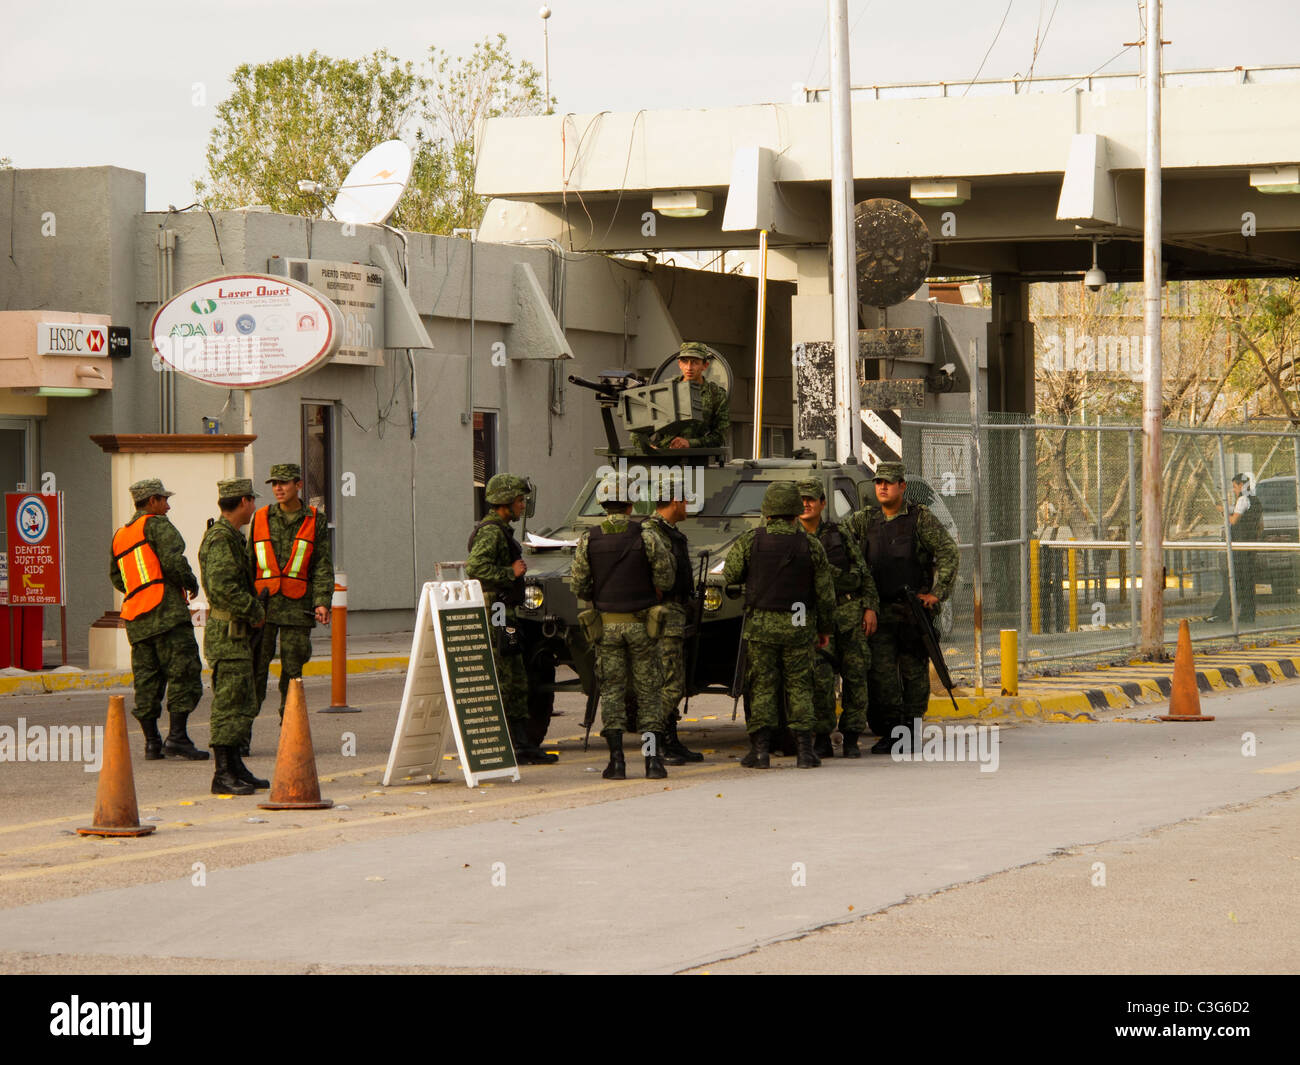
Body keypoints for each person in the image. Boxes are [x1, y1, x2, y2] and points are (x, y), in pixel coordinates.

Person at [722, 481, 836, 769]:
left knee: (761, 686)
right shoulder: (811, 544)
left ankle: (760, 751)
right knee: (799, 686)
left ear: (768, 510)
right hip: (799, 625)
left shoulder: (751, 540)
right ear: (795, 511)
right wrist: (824, 629)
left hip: (761, 626)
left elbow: (730, 574)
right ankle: (804, 751)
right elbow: (825, 593)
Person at [849, 462, 960, 754]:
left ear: (902, 486)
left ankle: (909, 731)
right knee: (882, 677)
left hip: (911, 613)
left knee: (914, 676)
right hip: (879, 612)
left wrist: (937, 593)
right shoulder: (865, 521)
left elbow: (948, 551)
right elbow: (840, 544)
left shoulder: (919, 518)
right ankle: (891, 731)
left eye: (889, 482)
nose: (883, 487)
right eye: (879, 483)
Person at [569, 474, 675, 779]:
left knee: (612, 691)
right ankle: (653, 761)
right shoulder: (646, 535)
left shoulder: (589, 537)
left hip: (607, 625)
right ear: (630, 504)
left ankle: (616, 762)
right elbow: (665, 578)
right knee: (648, 691)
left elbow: (579, 584)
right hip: (642, 625)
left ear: (603, 503)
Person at [109, 478, 206, 761]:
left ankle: (152, 742)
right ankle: (177, 737)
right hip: (166, 613)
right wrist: (190, 582)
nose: (168, 505)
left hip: (136, 618)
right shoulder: (157, 524)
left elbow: (118, 578)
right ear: (152, 501)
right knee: (184, 672)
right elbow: (174, 561)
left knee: (147, 680)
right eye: (163, 500)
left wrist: (141, 589)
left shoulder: (120, 535)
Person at [466, 473, 557, 765]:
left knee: (516, 675)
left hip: (505, 612)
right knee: (507, 675)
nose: (522, 506)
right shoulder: (491, 531)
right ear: (505, 502)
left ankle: (523, 743)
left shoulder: (500, 530)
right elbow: (475, 567)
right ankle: (512, 743)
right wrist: (510, 573)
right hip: (499, 612)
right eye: (519, 501)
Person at [248, 463, 333, 743]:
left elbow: (321, 564)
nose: (278, 488)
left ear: (298, 484)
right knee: (256, 670)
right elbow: (249, 563)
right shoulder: (260, 517)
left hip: (298, 605)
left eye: (284, 483)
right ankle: (242, 733)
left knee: (293, 671)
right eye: (274, 484)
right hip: (264, 606)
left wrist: (322, 601)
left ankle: (291, 732)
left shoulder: (314, 519)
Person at [797, 479, 878, 759]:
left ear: (822, 503)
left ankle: (852, 737)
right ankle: (822, 737)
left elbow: (863, 573)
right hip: (817, 620)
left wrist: (869, 608)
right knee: (820, 681)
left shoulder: (838, 533)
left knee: (856, 677)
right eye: (801, 499)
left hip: (849, 616)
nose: (806, 504)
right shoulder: (792, 538)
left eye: (811, 499)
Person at [198, 478, 269, 795]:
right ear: (244, 502)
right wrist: (255, 611)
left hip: (236, 634)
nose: (254, 506)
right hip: (228, 633)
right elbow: (225, 589)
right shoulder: (222, 539)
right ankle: (222, 773)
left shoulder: (231, 537)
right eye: (252, 500)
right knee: (229, 702)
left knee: (243, 699)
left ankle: (235, 765)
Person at [642, 481, 705, 764]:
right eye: (685, 501)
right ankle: (654, 741)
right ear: (676, 501)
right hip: (662, 617)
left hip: (675, 614)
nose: (687, 506)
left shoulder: (668, 534)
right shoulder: (652, 534)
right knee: (669, 683)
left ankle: (670, 738)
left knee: (674, 681)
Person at [635, 341, 730, 452]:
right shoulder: (664, 391)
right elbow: (638, 431)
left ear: (705, 365)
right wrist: (650, 448)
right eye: (685, 362)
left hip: (696, 459)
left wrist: (690, 443)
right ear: (679, 364)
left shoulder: (716, 394)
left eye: (695, 362)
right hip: (663, 458)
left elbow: (720, 436)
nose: (689, 367)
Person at [1210, 472, 1261, 624]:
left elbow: (1234, 520)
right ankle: (1247, 614)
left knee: (1233, 579)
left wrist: (1224, 513)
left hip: (1240, 548)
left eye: (1234, 486)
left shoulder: (1243, 499)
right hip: (1250, 546)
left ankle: (1222, 613)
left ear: (1241, 485)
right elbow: (1260, 525)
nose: (1234, 490)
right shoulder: (1256, 500)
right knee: (1247, 582)